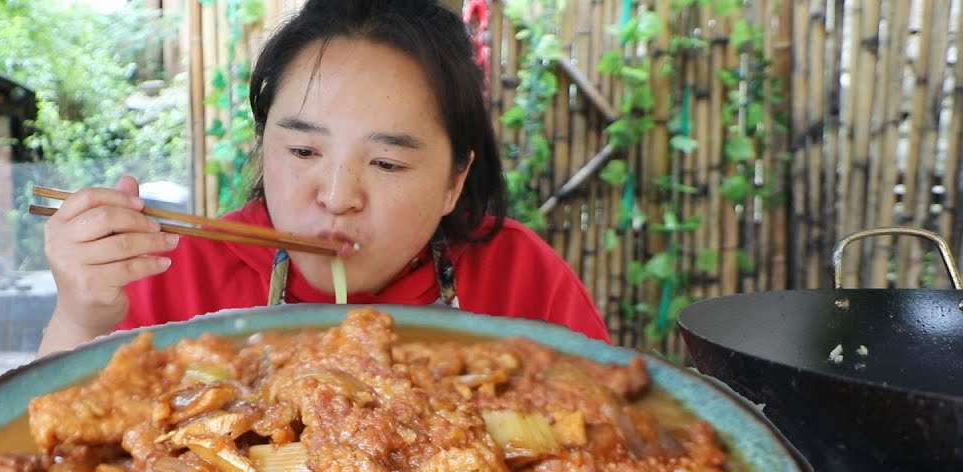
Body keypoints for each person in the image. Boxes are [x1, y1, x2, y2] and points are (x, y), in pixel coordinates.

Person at [37, 0, 609, 356]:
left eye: (386, 163)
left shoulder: (523, 281)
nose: (336, 197)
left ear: (454, 181)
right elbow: (55, 458)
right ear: (265, 146)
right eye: (304, 149)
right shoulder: (180, 274)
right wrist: (81, 316)